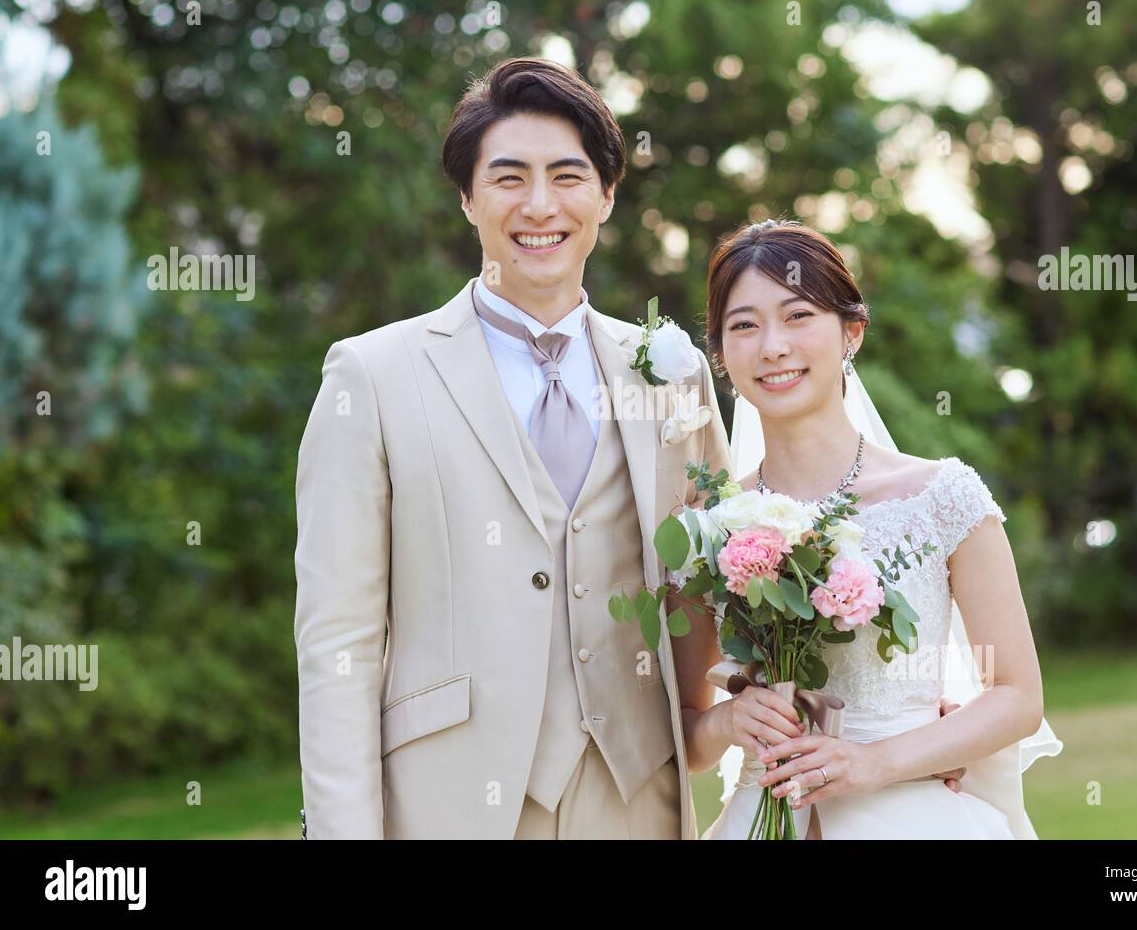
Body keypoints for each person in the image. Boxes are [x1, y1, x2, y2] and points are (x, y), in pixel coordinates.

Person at [293, 57, 729, 838]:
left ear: (606, 195)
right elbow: (339, 643)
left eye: (567, 176)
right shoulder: (372, 374)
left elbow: (718, 588)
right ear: (467, 198)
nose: (539, 205)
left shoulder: (673, 375)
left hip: (639, 798)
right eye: (507, 177)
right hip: (450, 803)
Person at [671, 219, 1062, 839]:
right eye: (744, 325)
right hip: (758, 819)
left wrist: (875, 762)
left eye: (798, 315)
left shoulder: (943, 497)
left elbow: (1016, 696)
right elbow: (689, 738)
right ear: (721, 353)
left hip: (909, 815)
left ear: (852, 331)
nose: (772, 346)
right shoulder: (705, 530)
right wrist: (729, 722)